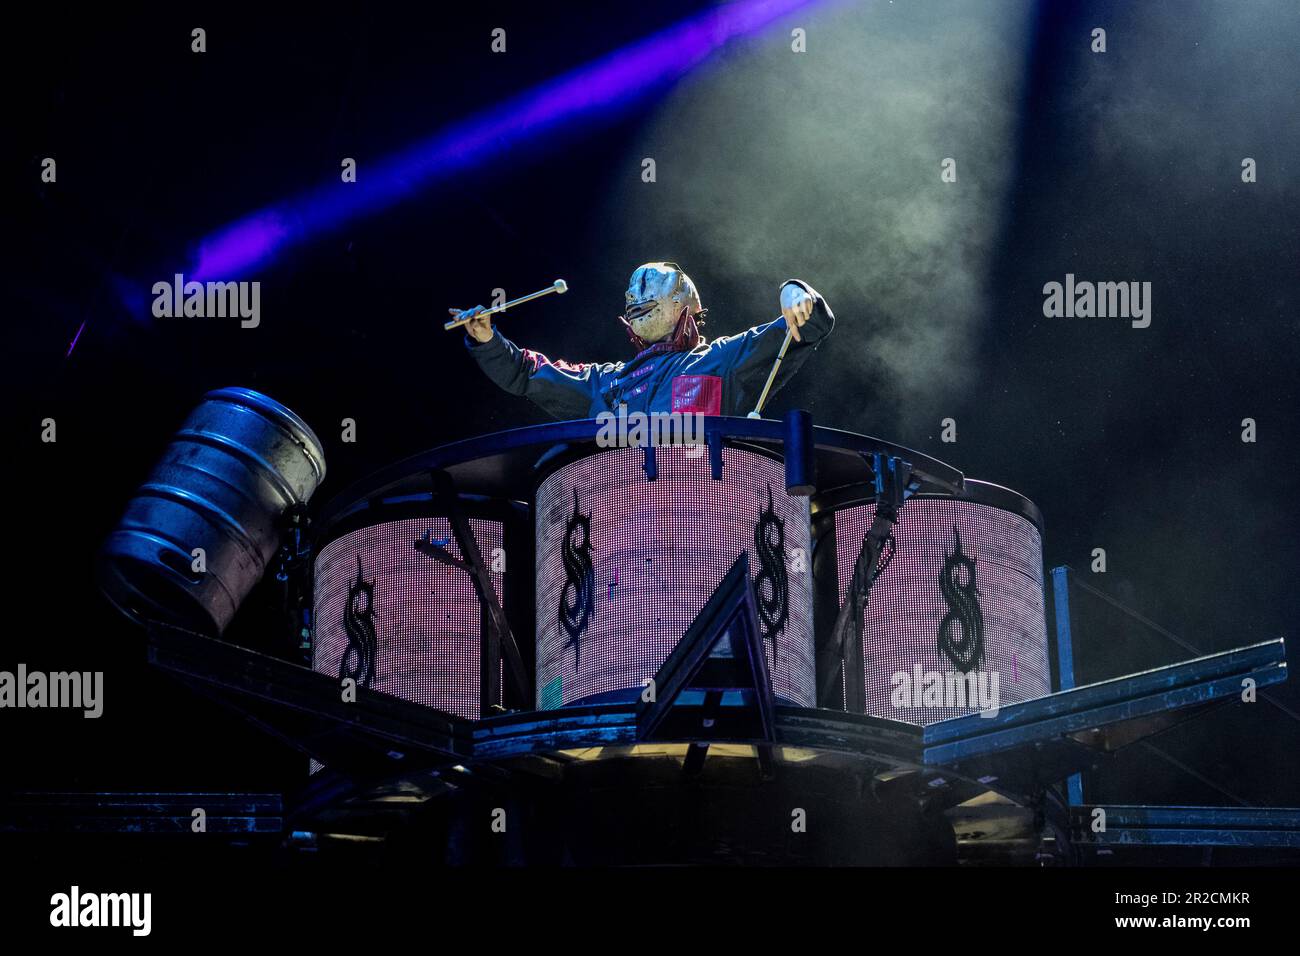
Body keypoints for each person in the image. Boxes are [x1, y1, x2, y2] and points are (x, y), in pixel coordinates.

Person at [452, 261, 834, 419]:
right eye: (634, 307)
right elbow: (526, 374)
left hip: (707, 522)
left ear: (683, 307)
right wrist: (487, 340)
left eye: (647, 304)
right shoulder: (606, 382)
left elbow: (806, 325)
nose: (637, 310)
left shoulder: (720, 361)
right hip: (624, 535)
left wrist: (795, 292)